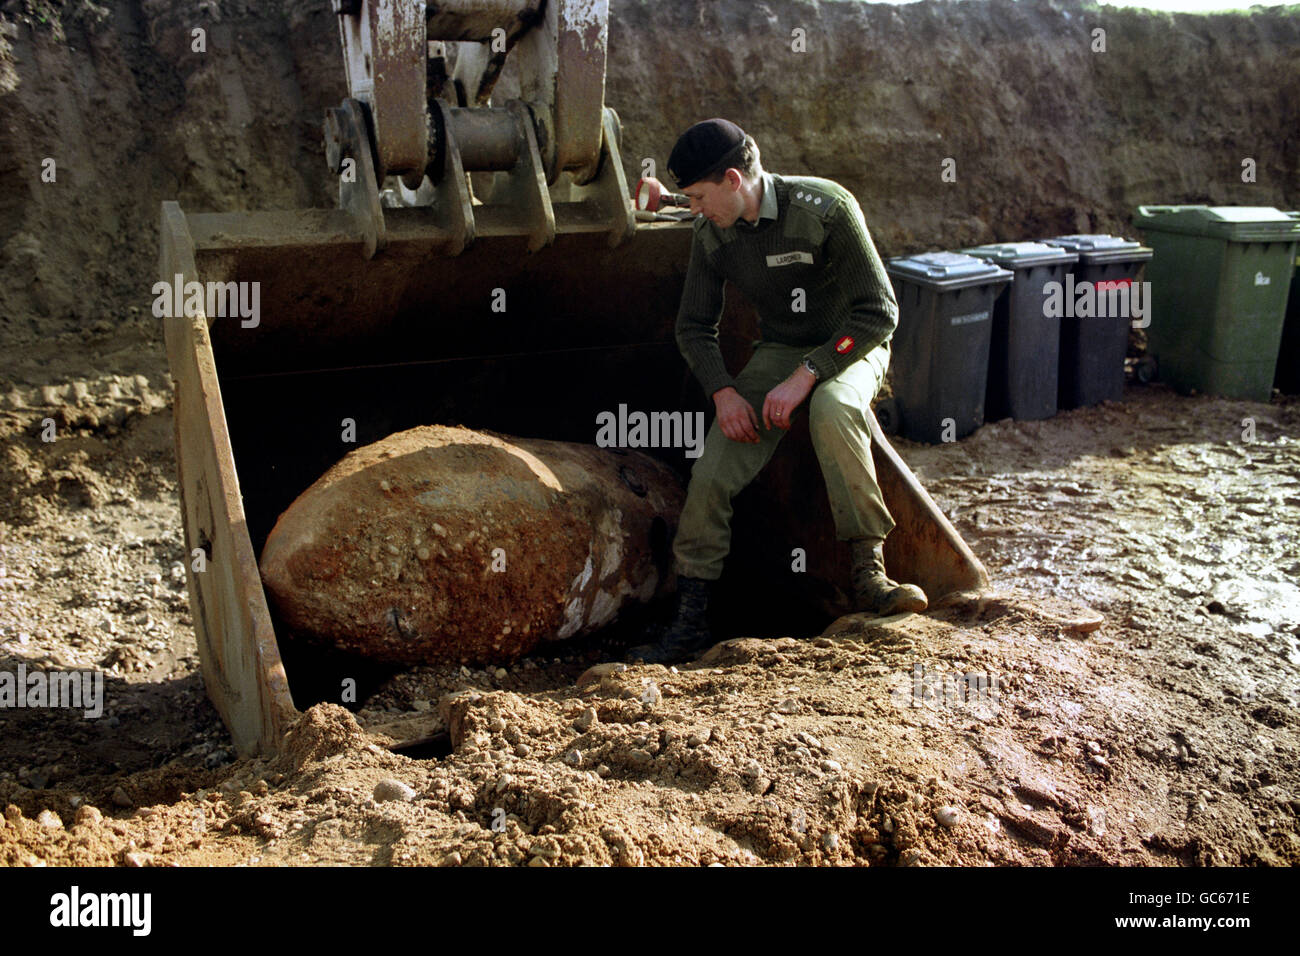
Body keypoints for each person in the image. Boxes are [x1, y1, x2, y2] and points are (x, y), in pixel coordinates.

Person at [628, 118, 927, 665]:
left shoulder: (825, 208)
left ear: (734, 179)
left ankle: (869, 575)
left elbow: (880, 312)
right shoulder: (712, 229)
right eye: (686, 198)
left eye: (698, 196)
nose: (693, 208)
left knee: (834, 411)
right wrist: (723, 392)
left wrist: (809, 373)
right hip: (781, 349)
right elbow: (694, 327)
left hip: (850, 343)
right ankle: (693, 622)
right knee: (714, 464)